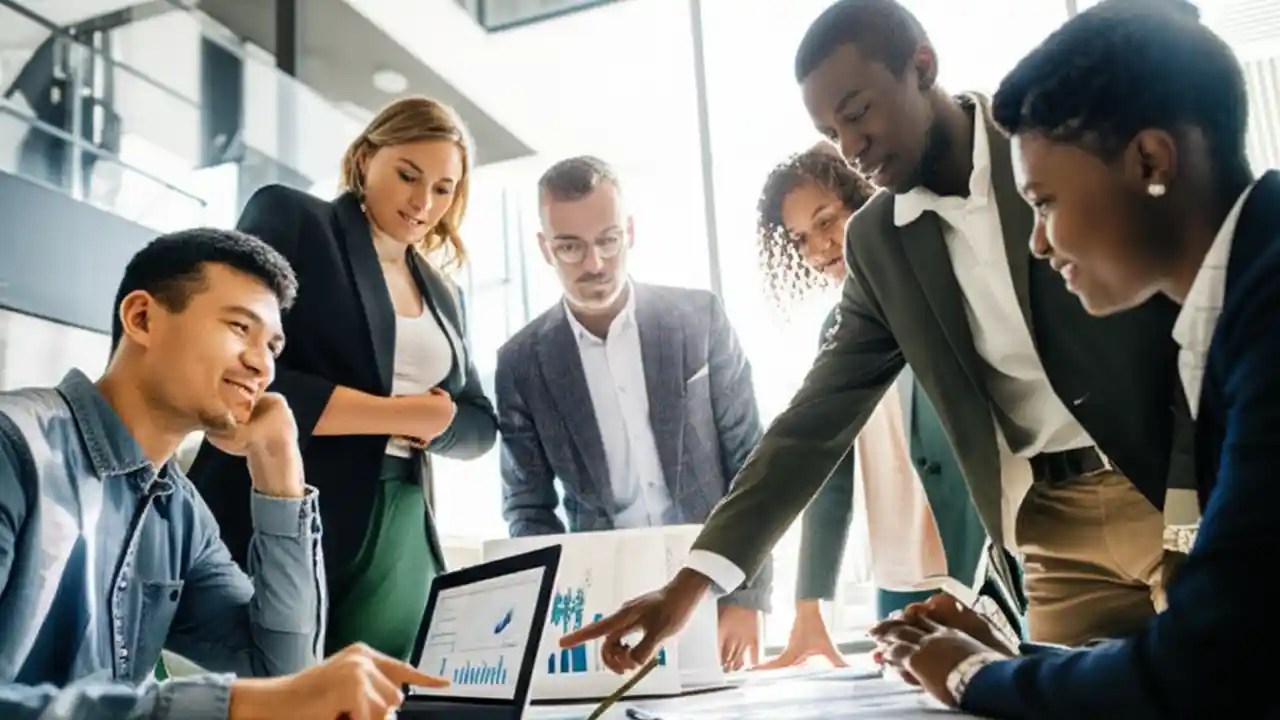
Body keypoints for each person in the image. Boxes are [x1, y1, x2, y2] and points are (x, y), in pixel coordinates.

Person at [561, 0, 1191, 671]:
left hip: (1161, 488)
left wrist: (1193, 512)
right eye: (832, 132)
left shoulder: (1053, 147)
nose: (851, 148)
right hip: (1050, 533)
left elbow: (1179, 328)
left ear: (922, 66)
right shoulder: (880, 244)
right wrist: (690, 587)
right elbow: (811, 425)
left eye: (858, 112)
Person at [871, 2, 1280, 717]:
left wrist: (974, 678)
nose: (1036, 243)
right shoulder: (1236, 299)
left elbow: (1212, 664)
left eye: (1045, 202)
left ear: (1151, 161)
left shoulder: (1269, 315)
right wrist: (1010, 659)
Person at [0, 229, 447, 719]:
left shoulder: (178, 511)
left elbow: (284, 672)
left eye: (273, 347)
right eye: (240, 328)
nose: (262, 365)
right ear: (142, 318)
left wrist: (280, 469)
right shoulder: (14, 447)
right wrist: (229, 707)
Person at [190, 96, 498, 662]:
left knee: (384, 693)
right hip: (286, 499)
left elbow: (481, 422)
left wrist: (441, 422)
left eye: (443, 188)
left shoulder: (443, 293)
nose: (421, 202)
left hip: (403, 515)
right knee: (282, 685)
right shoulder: (295, 219)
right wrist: (402, 416)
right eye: (408, 175)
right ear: (363, 160)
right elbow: (238, 364)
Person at [496, 155, 770, 670]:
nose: (593, 263)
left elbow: (751, 464)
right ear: (543, 247)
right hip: (603, 595)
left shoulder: (699, 319)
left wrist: (746, 595)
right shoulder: (519, 363)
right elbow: (527, 508)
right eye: (570, 246)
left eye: (607, 240)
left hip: (711, 579)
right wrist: (559, 613)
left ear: (630, 232)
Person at [751, 144, 991, 669]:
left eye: (826, 221)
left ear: (863, 201)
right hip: (900, 569)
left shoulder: (934, 286)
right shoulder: (835, 331)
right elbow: (827, 469)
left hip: (973, 559)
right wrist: (809, 605)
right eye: (801, 239)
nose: (819, 248)